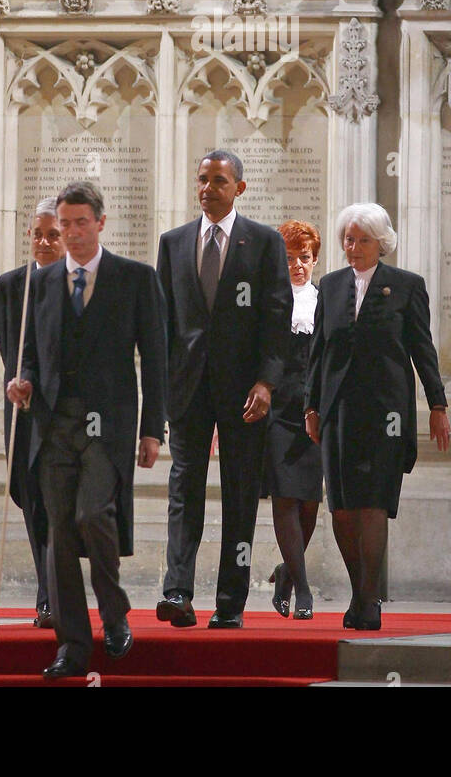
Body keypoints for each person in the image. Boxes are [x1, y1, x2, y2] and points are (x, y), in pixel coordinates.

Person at [7, 181, 167, 679]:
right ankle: (73, 646)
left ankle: (114, 611)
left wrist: (152, 430)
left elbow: (156, 357)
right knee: (57, 532)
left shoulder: (135, 279)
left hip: (109, 423)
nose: (72, 233)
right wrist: (23, 381)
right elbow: (31, 351)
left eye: (81, 223)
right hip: (51, 424)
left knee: (93, 513)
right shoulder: (44, 282)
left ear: (100, 222)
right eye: (65, 224)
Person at [155, 150, 292, 627]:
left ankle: (230, 604)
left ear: (240, 188)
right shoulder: (172, 243)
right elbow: (164, 324)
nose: (208, 188)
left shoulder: (264, 242)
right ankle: (177, 593)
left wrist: (267, 382)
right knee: (183, 490)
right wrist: (162, 388)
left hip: (245, 393)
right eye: (202, 180)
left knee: (239, 495)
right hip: (188, 390)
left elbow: (277, 318)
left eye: (218, 180)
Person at [304, 203, 450, 631]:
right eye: (348, 239)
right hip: (338, 412)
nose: (353, 247)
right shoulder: (329, 287)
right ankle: (359, 591)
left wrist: (437, 405)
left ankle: (368, 602)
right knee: (343, 508)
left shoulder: (405, 287)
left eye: (362, 240)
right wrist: (310, 407)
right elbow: (318, 354)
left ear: (381, 243)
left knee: (373, 504)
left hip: (386, 413)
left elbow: (422, 350)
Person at [0, 197, 63, 627]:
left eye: (52, 235)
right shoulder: (10, 285)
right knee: (33, 502)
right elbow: (8, 347)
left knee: (60, 506)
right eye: (37, 233)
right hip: (23, 409)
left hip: (64, 412)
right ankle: (47, 588)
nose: (43, 242)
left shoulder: (79, 285)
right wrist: (19, 380)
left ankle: (51, 594)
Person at [263, 221, 323, 621]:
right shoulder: (268, 301)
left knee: (310, 504)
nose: (298, 265)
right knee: (285, 497)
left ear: (315, 259)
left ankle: (287, 571)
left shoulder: (326, 301)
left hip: (314, 412)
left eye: (304, 258)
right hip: (277, 412)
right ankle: (303, 589)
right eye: (289, 259)